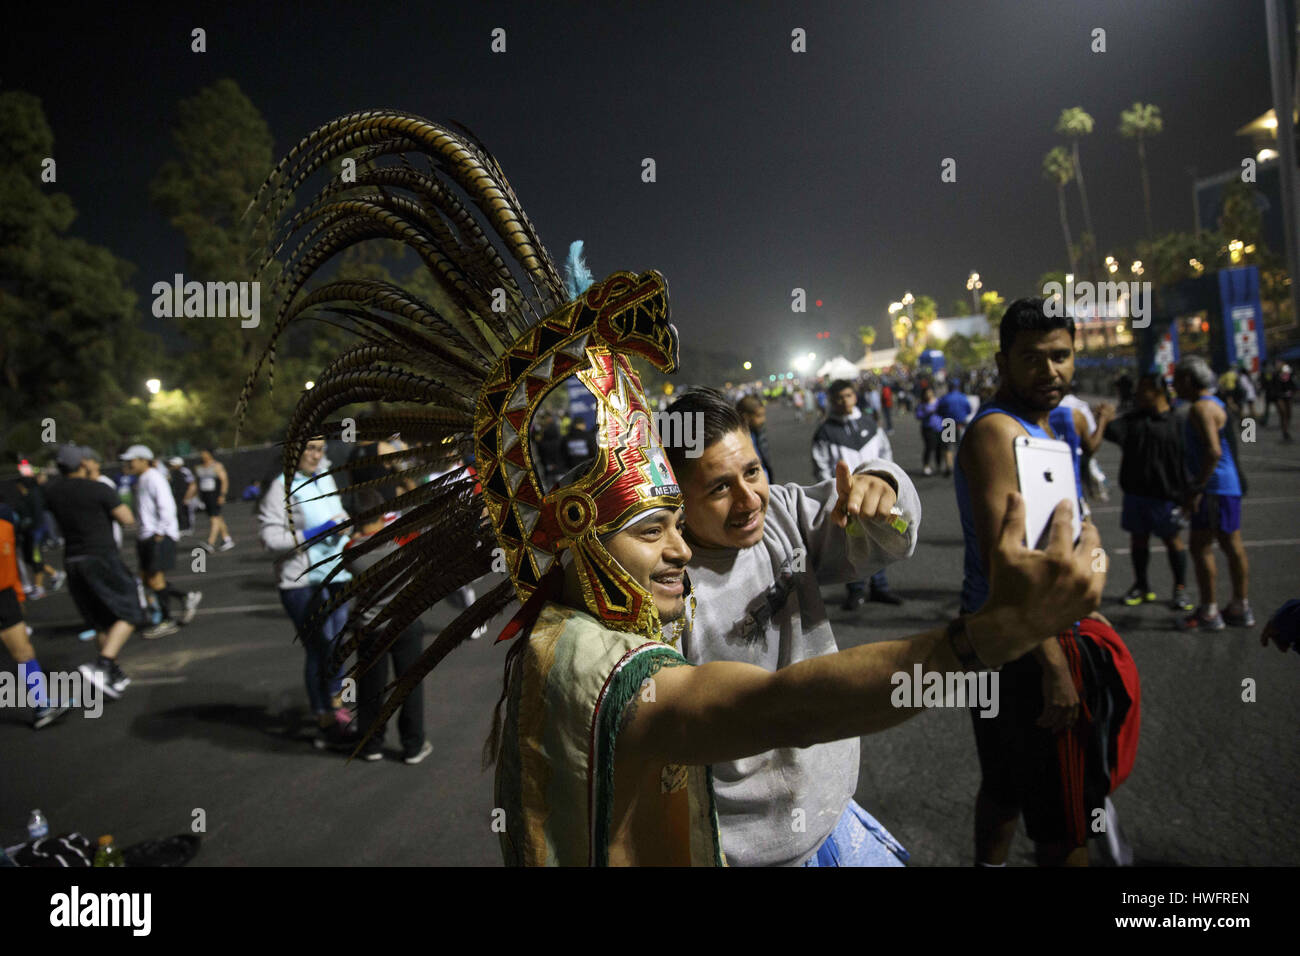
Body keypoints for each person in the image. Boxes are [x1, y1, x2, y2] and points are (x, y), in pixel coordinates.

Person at [238, 111, 1105, 867]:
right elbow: (780, 704)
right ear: (577, 535)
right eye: (663, 523)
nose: (690, 544)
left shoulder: (660, 584)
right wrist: (987, 637)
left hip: (828, 825)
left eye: (754, 472)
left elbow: (878, 528)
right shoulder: (592, 660)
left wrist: (880, 485)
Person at [667, 385, 916, 865]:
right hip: (745, 847)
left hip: (833, 811)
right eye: (719, 487)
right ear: (676, 497)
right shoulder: (667, 585)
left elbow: (895, 539)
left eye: (752, 471)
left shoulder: (783, 513)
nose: (748, 499)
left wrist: (886, 490)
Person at [954, 297, 1137, 867]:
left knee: (1007, 788)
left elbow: (1071, 530)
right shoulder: (997, 434)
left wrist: (1089, 599)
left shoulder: (1046, 426)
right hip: (1025, 653)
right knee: (1064, 831)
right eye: (1031, 358)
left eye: (1061, 356)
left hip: (1020, 642)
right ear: (1003, 360)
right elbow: (1006, 566)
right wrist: (1056, 666)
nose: (1049, 370)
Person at [257, 437, 355, 749]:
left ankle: (337, 708)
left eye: (319, 448)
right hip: (302, 582)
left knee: (337, 644)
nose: (316, 454)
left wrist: (344, 527)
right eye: (309, 448)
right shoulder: (280, 487)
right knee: (318, 649)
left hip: (337, 574)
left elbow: (340, 516)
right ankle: (324, 718)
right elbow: (270, 538)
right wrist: (315, 533)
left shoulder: (325, 476)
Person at [42, 444, 143, 699]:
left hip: (72, 561)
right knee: (131, 611)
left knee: (101, 621)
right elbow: (127, 518)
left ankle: (112, 671)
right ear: (84, 464)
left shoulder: (51, 493)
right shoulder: (98, 488)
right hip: (100, 557)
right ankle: (103, 664)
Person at [343, 487, 432, 764]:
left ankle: (371, 744)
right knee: (409, 686)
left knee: (371, 688)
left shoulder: (351, 551)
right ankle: (413, 745)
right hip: (405, 622)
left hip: (371, 628)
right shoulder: (402, 539)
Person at [1172, 356, 1253, 631]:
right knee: (1232, 546)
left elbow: (1213, 450)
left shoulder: (1200, 408)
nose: (1173, 384)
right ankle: (1240, 607)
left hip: (1214, 488)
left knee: (1201, 547)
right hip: (1226, 487)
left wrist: (1197, 486)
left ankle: (1209, 611)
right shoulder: (1215, 403)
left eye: (1176, 378)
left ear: (1187, 380)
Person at [1103, 373, 1194, 611]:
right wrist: (1104, 417)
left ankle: (1180, 589)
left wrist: (1190, 492)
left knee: (1173, 541)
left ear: (1159, 391)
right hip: (1136, 494)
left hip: (1167, 495)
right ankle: (1142, 585)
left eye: (1144, 389)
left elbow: (1190, 459)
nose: (1138, 394)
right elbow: (1109, 430)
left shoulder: (1179, 421)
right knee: (1138, 540)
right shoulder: (1133, 420)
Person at [811, 379, 905, 610]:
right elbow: (820, 464)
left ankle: (880, 587)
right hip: (847, 499)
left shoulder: (870, 423)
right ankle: (856, 590)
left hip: (875, 496)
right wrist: (836, 492)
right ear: (831, 401)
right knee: (852, 545)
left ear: (855, 396)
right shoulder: (824, 431)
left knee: (880, 539)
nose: (844, 401)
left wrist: (886, 481)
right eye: (839, 398)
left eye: (848, 396)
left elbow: (885, 452)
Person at [0, 494, 71, 728]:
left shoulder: (5, 516)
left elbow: (11, 562)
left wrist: (18, 595)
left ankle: (42, 704)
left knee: (24, 651)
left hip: (4, 596)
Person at [120, 445, 200, 636]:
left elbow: (166, 506)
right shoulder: (142, 479)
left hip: (158, 536)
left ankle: (167, 619)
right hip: (147, 536)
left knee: (155, 580)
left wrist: (160, 533)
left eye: (131, 460)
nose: (128, 464)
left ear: (143, 460)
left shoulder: (154, 478)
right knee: (148, 579)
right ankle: (185, 597)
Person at [195, 449, 234, 552]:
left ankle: (210, 542)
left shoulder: (217, 466)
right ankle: (227, 539)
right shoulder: (199, 467)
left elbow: (224, 480)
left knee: (214, 518)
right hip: (205, 496)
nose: (203, 455)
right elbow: (197, 482)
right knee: (217, 517)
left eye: (205, 453)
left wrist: (222, 495)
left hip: (215, 495)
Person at [935, 379, 974, 477]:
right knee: (961, 447)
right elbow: (969, 410)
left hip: (948, 423)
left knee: (948, 447)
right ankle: (963, 467)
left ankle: (949, 466)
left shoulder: (945, 398)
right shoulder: (963, 397)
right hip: (961, 423)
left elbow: (939, 411)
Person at [737, 394, 774, 481]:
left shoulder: (758, 432)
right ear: (746, 417)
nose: (763, 420)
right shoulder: (737, 440)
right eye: (758, 416)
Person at [167, 457, 198, 537]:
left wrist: (188, 496)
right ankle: (182, 527)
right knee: (179, 512)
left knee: (188, 512)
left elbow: (192, 484)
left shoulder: (185, 472)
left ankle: (188, 528)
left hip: (186, 495)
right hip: (177, 496)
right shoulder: (172, 472)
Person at [916, 386, 943, 475]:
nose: (928, 395)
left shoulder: (938, 402)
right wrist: (927, 413)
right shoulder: (922, 404)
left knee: (939, 448)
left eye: (930, 392)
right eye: (927, 393)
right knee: (929, 447)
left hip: (939, 427)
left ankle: (939, 465)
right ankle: (926, 465)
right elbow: (918, 416)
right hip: (927, 428)